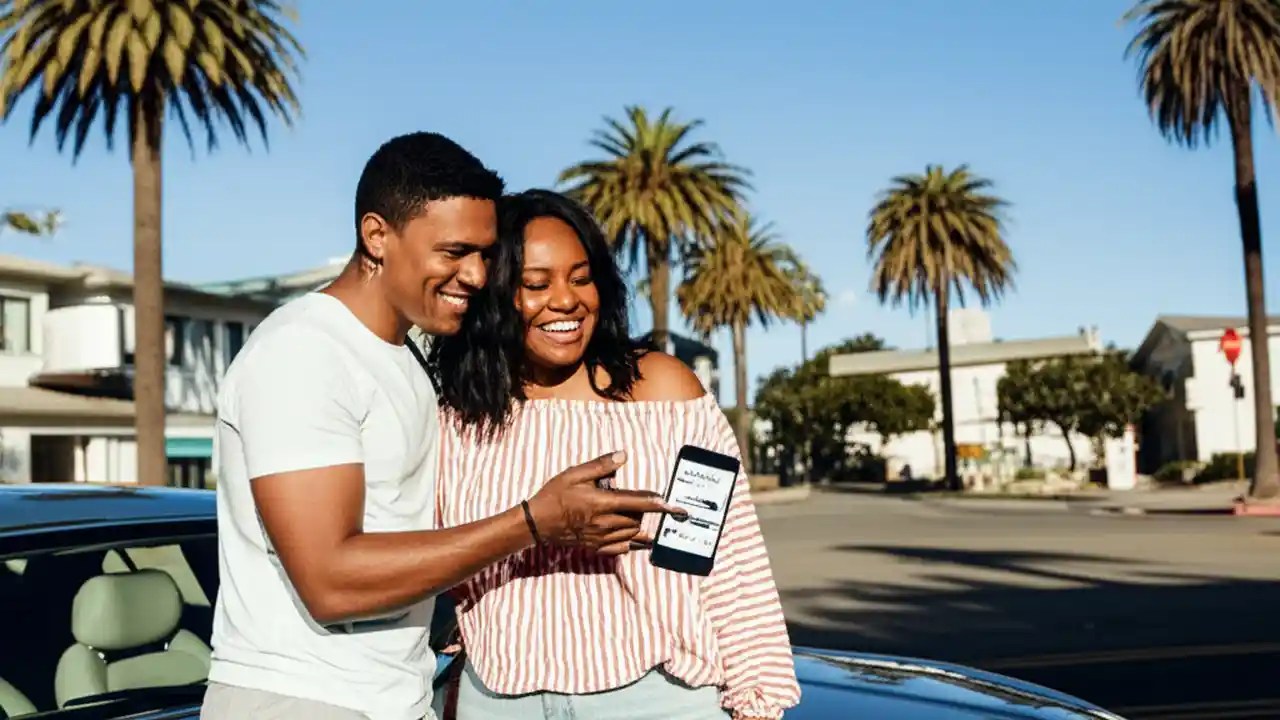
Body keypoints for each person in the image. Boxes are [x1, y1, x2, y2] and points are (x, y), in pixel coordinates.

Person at [202, 134, 683, 720]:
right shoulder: (303, 352)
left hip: (395, 700)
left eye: (484, 253)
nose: (478, 275)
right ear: (376, 236)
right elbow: (330, 581)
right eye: (454, 252)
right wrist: (535, 522)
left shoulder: (406, 363)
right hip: (300, 700)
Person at [430, 189, 801, 719]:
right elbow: (435, 559)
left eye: (581, 278)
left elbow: (728, 560)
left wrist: (756, 700)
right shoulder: (457, 416)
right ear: (493, 296)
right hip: (496, 702)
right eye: (536, 284)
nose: (566, 300)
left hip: (657, 699)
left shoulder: (665, 393)